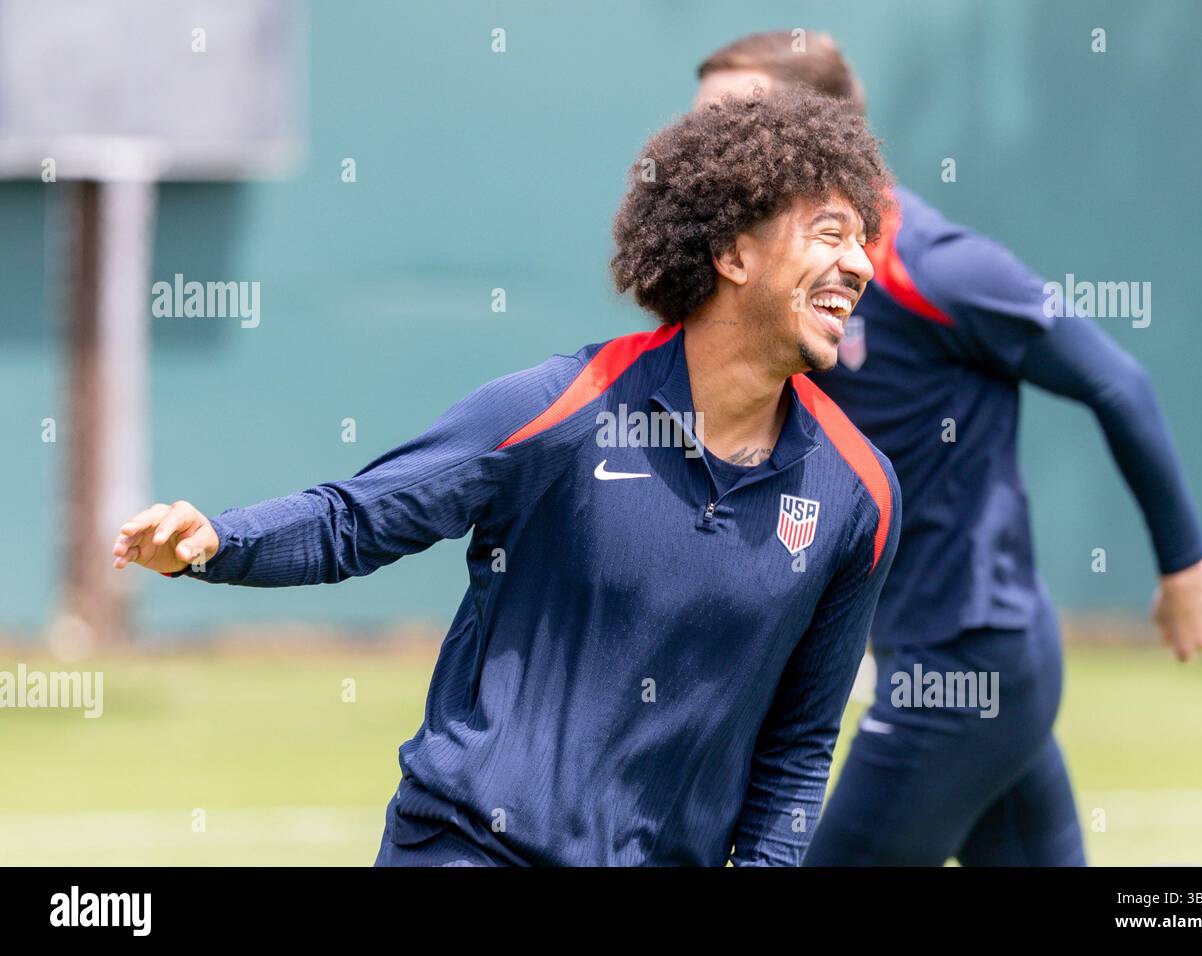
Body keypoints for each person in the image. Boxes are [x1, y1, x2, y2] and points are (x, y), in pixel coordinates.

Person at [111, 89, 902, 866]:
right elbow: (355, 519)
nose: (860, 265)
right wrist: (216, 540)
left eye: (864, 241)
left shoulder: (860, 494)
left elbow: (798, 744)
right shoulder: (560, 409)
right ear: (733, 253)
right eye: (830, 234)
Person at [694, 31, 1202, 866]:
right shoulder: (766, 282)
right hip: (967, 663)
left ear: (820, 132)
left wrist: (1185, 566)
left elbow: (1117, 382)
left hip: (965, 665)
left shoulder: (936, 268)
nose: (701, 147)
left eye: (735, 120)